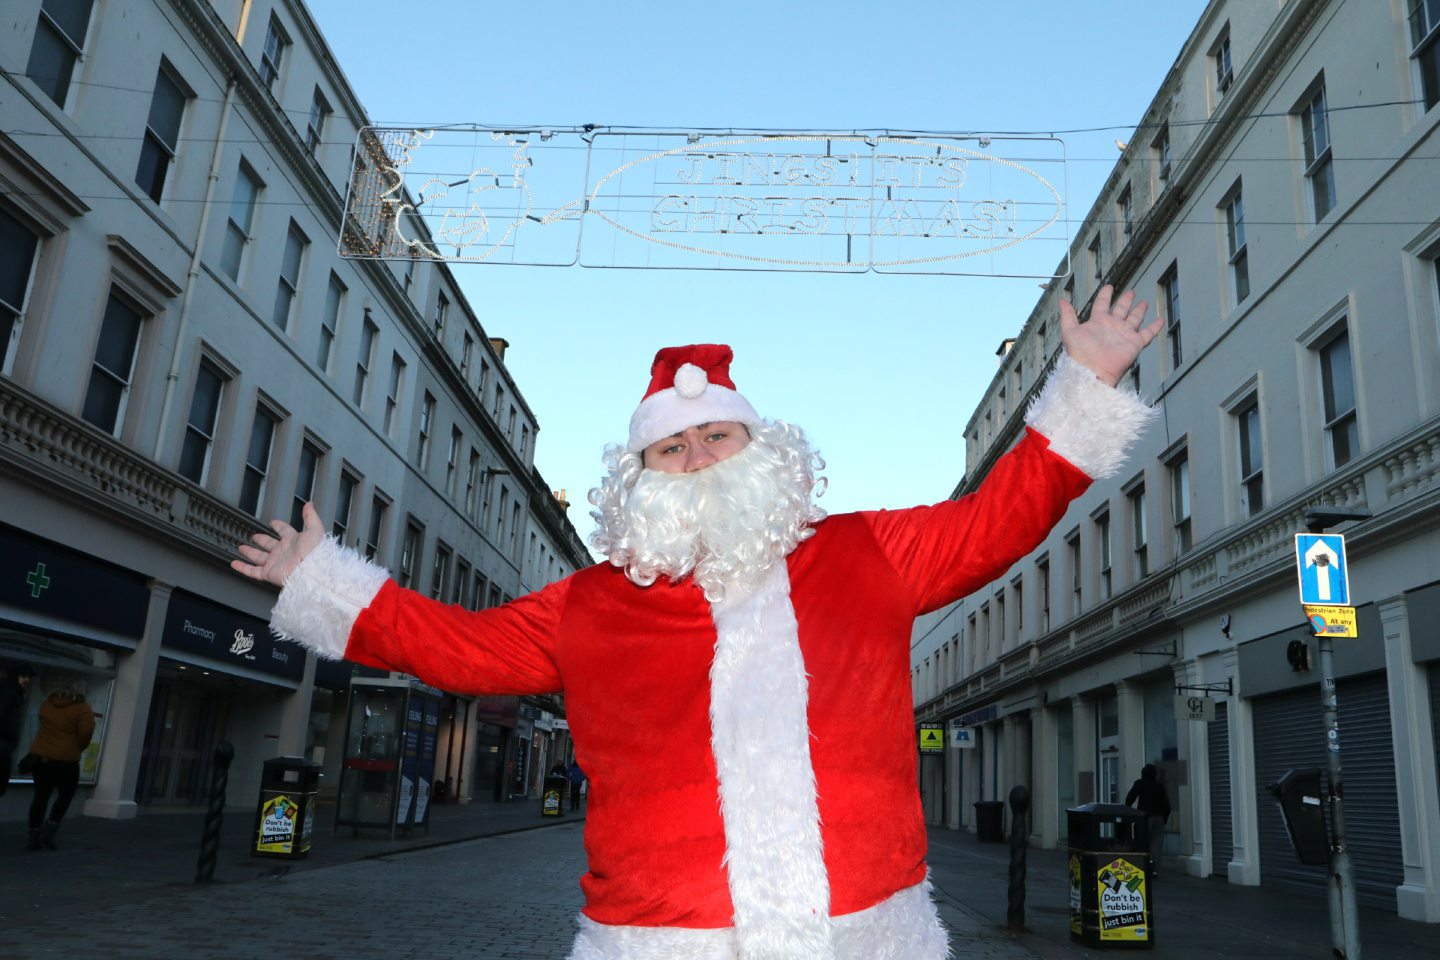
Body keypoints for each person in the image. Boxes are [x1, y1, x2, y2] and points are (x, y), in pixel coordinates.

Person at [234, 286, 1161, 959]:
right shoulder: (592, 602)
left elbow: (997, 523)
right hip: (662, 938)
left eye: (717, 436)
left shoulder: (861, 553)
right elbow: (461, 650)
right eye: (671, 448)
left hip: (864, 931)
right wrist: (325, 583)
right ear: (641, 479)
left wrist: (1083, 386)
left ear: (761, 448)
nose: (697, 457)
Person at [25, 672, 95, 851]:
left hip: (42, 757)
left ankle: (33, 834)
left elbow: (41, 720)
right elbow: (86, 733)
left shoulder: (48, 703)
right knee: (65, 796)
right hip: (66, 760)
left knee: (41, 796)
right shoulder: (82, 707)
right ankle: (48, 832)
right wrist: (76, 747)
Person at [1125, 763, 1171, 875]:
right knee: (1156, 845)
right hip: (1159, 818)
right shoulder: (1159, 786)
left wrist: (1128, 811)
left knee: (1142, 843)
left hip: (1144, 818)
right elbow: (1166, 805)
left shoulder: (1139, 784)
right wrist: (1164, 818)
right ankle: (1155, 870)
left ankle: (1144, 868)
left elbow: (1130, 799)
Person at [0, 661, 37, 797]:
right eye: (23, 676)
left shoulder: (13, 692)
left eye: (28, 676)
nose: (27, 680)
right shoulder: (8, 692)